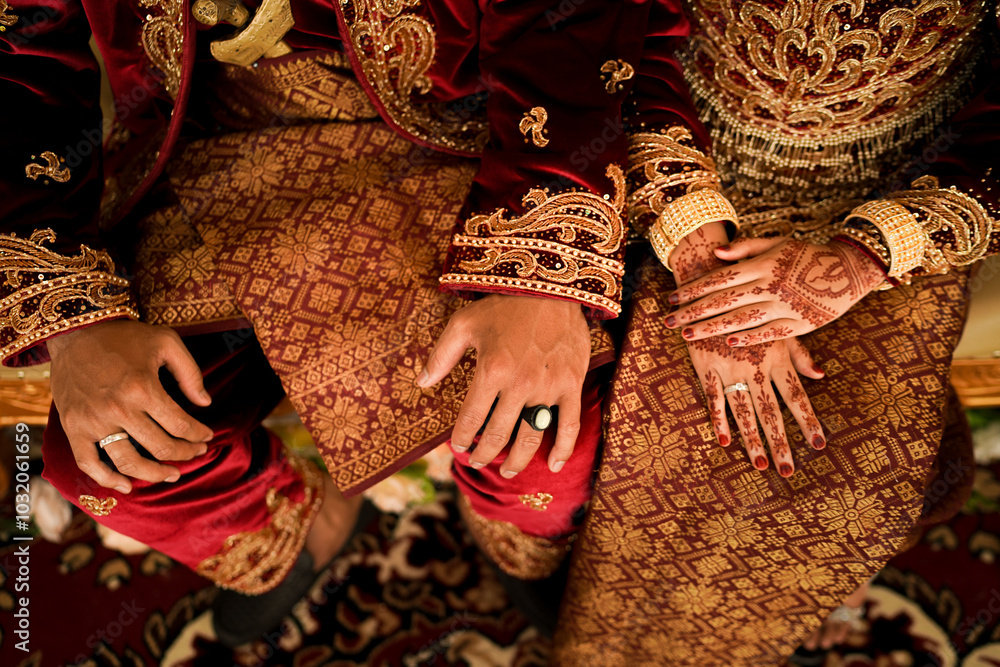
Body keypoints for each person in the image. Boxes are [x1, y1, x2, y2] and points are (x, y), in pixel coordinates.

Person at [0, 0, 656, 650]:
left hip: (443, 146)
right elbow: (18, 56)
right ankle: (296, 533)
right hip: (196, 155)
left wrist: (538, 269)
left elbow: (565, 17)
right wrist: (73, 322)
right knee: (110, 462)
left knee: (544, 439)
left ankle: (513, 534)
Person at [546, 0, 999, 664]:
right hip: (676, 146)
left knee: (837, 478)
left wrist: (863, 260)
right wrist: (699, 256)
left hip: (918, 179)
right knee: (657, 460)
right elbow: (608, 23)